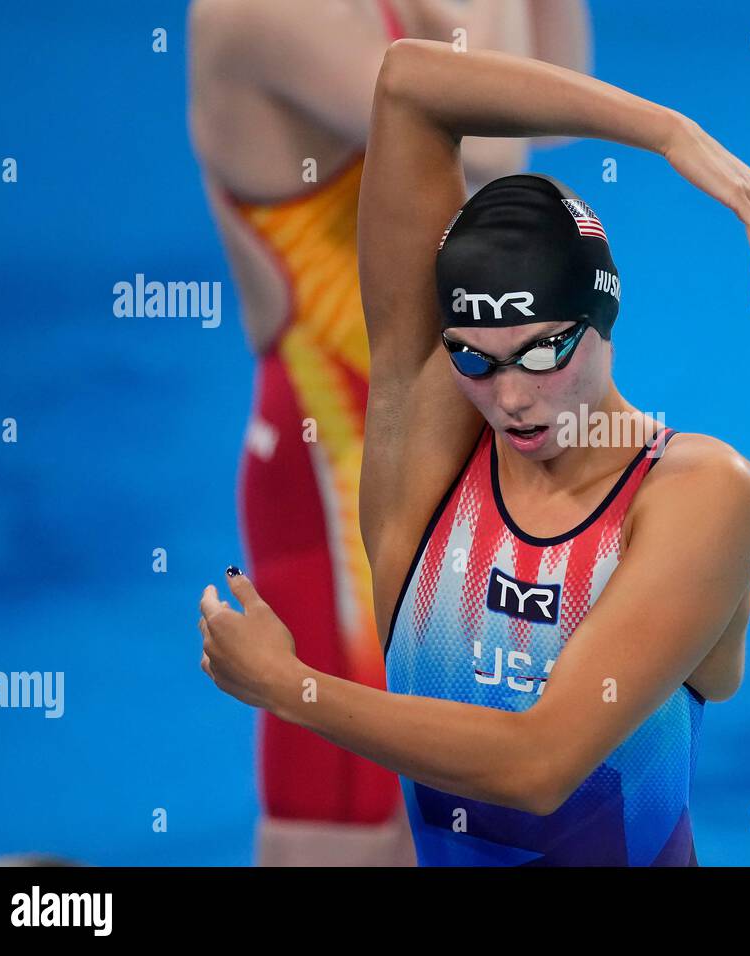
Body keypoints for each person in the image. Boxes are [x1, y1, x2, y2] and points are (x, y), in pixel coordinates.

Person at [199, 36, 750, 865]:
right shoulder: (427, 466)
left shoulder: (700, 493)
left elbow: (539, 764)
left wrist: (287, 686)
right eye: (474, 358)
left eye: (546, 350)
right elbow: (408, 82)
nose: (511, 397)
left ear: (603, 322)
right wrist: (660, 130)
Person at [187, 0, 592, 865]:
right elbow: (494, 143)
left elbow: (566, 78)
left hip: (449, 463)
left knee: (455, 812)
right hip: (342, 484)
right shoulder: (257, 12)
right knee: (343, 828)